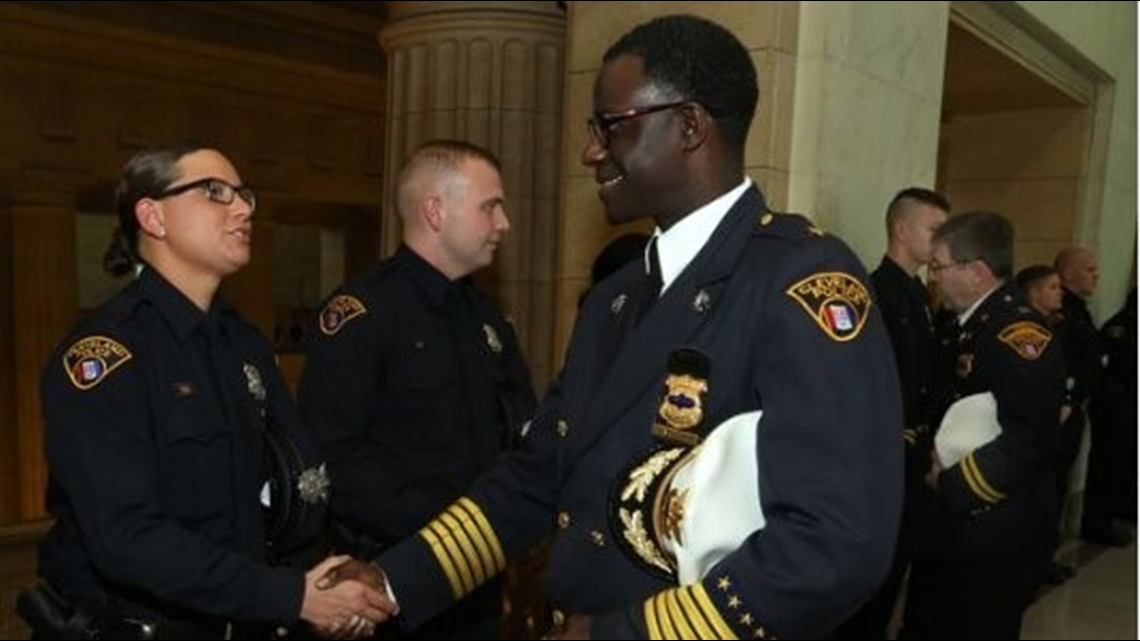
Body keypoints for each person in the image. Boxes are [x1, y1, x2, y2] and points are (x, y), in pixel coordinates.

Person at [322, 15, 902, 640]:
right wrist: (391, 579)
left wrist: (626, 633)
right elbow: (536, 475)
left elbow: (837, 543)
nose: (590, 151)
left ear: (688, 126)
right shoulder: (615, 299)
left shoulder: (800, 281)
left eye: (611, 127)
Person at [30, 143, 392, 640]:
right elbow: (127, 538)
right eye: (214, 193)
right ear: (152, 216)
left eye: (243, 194)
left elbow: (291, 483)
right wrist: (291, 597)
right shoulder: (107, 355)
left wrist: (323, 583)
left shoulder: (242, 343)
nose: (243, 208)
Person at [298, 140, 537, 639]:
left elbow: (518, 432)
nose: (504, 224)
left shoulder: (487, 320)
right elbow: (333, 454)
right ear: (435, 210)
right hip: (388, 584)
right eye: (490, 207)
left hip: (479, 582)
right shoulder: (362, 313)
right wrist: (445, 531)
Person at [906, 211, 1063, 639]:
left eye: (938, 266)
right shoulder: (968, 325)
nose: (933, 277)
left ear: (975, 271)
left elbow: (1032, 437)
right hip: (954, 530)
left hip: (992, 533)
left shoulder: (1018, 335)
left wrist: (956, 484)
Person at [837, 187, 948, 639]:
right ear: (901, 230)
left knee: (897, 567)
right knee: (872, 583)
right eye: (934, 229)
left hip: (910, 453)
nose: (942, 241)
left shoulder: (921, 296)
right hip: (883, 458)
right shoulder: (875, 291)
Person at [1054, 247, 1126, 546]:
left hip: (1080, 405)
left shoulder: (1079, 310)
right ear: (1067, 273)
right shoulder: (1063, 313)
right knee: (1052, 481)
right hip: (1062, 409)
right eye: (1089, 270)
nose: (1096, 277)